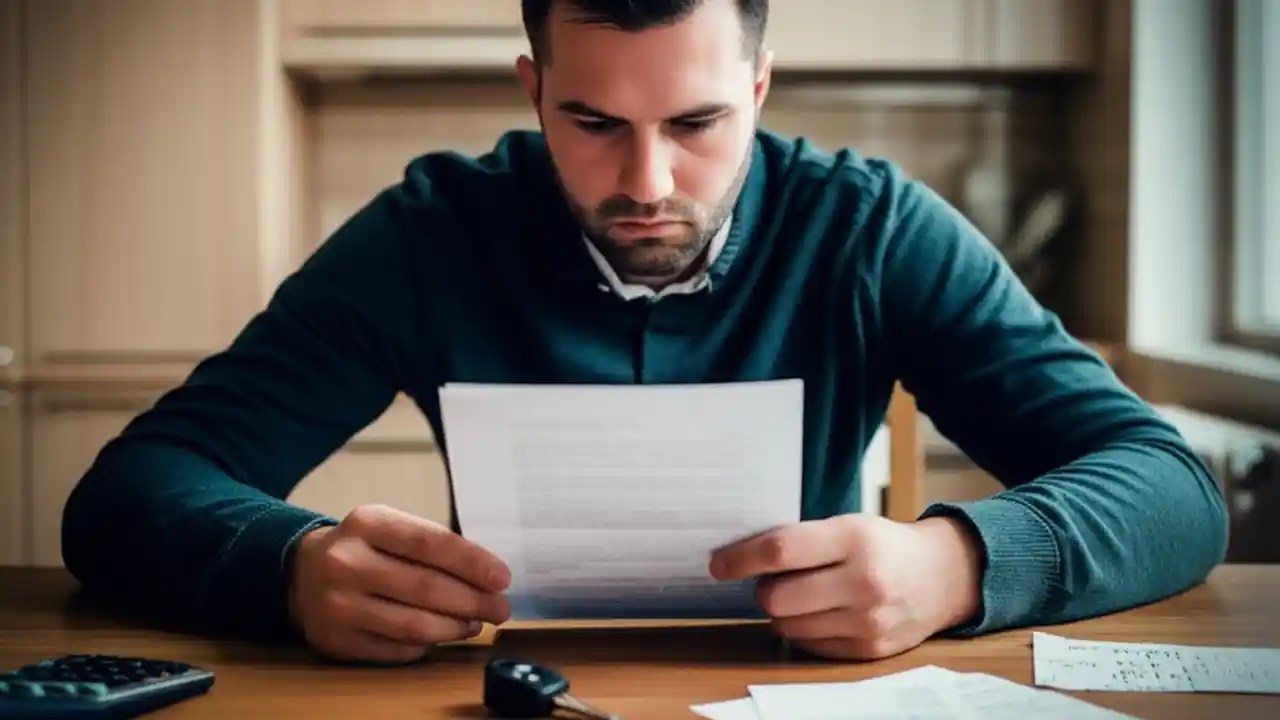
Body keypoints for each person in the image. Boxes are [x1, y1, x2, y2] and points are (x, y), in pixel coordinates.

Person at [61, 0, 1228, 665]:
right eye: (591, 121)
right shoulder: (427, 235)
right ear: (531, 87)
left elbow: (1170, 489)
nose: (647, 180)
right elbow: (129, 492)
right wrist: (287, 567)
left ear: (760, 88)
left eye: (697, 121)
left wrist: (956, 562)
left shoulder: (869, 228)